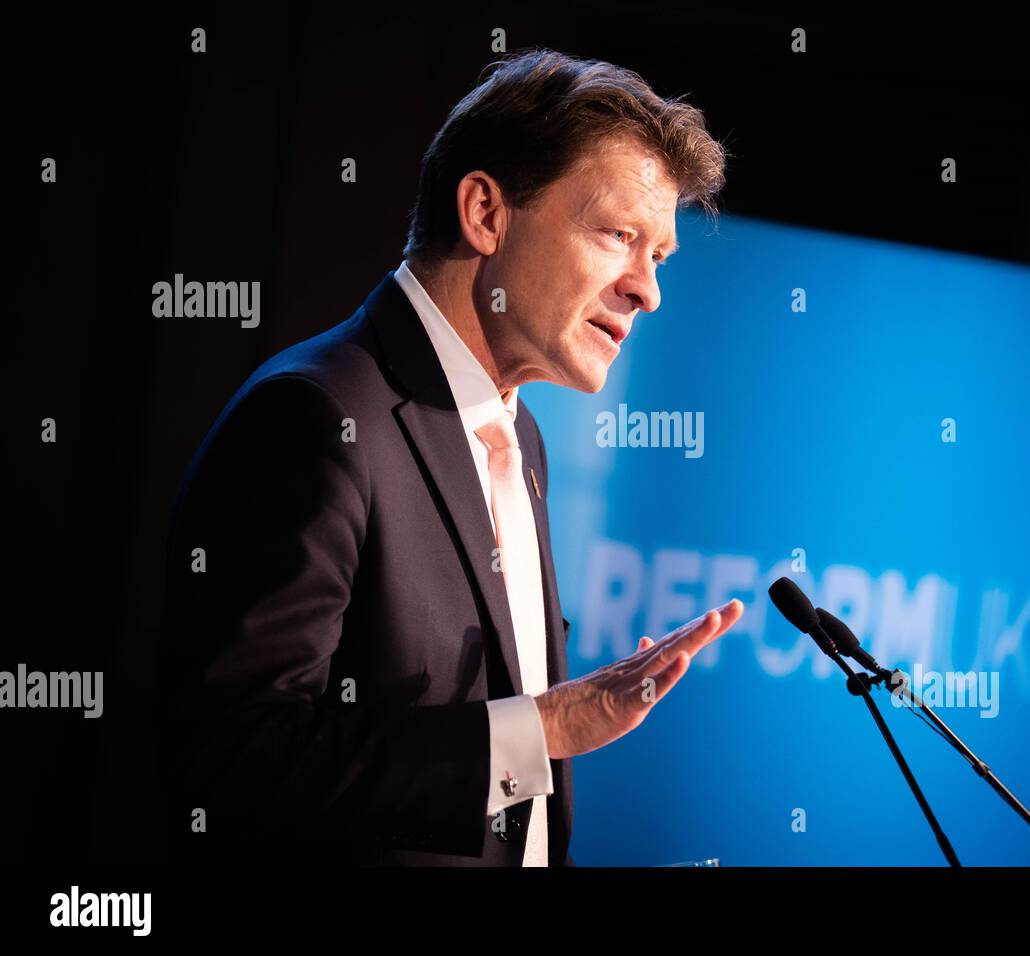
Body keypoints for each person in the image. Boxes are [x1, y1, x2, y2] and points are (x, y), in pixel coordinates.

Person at [155, 47, 739, 866]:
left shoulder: (518, 436)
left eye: (660, 257)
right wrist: (553, 725)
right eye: (618, 235)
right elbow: (233, 760)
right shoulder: (318, 416)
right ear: (486, 213)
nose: (648, 289)